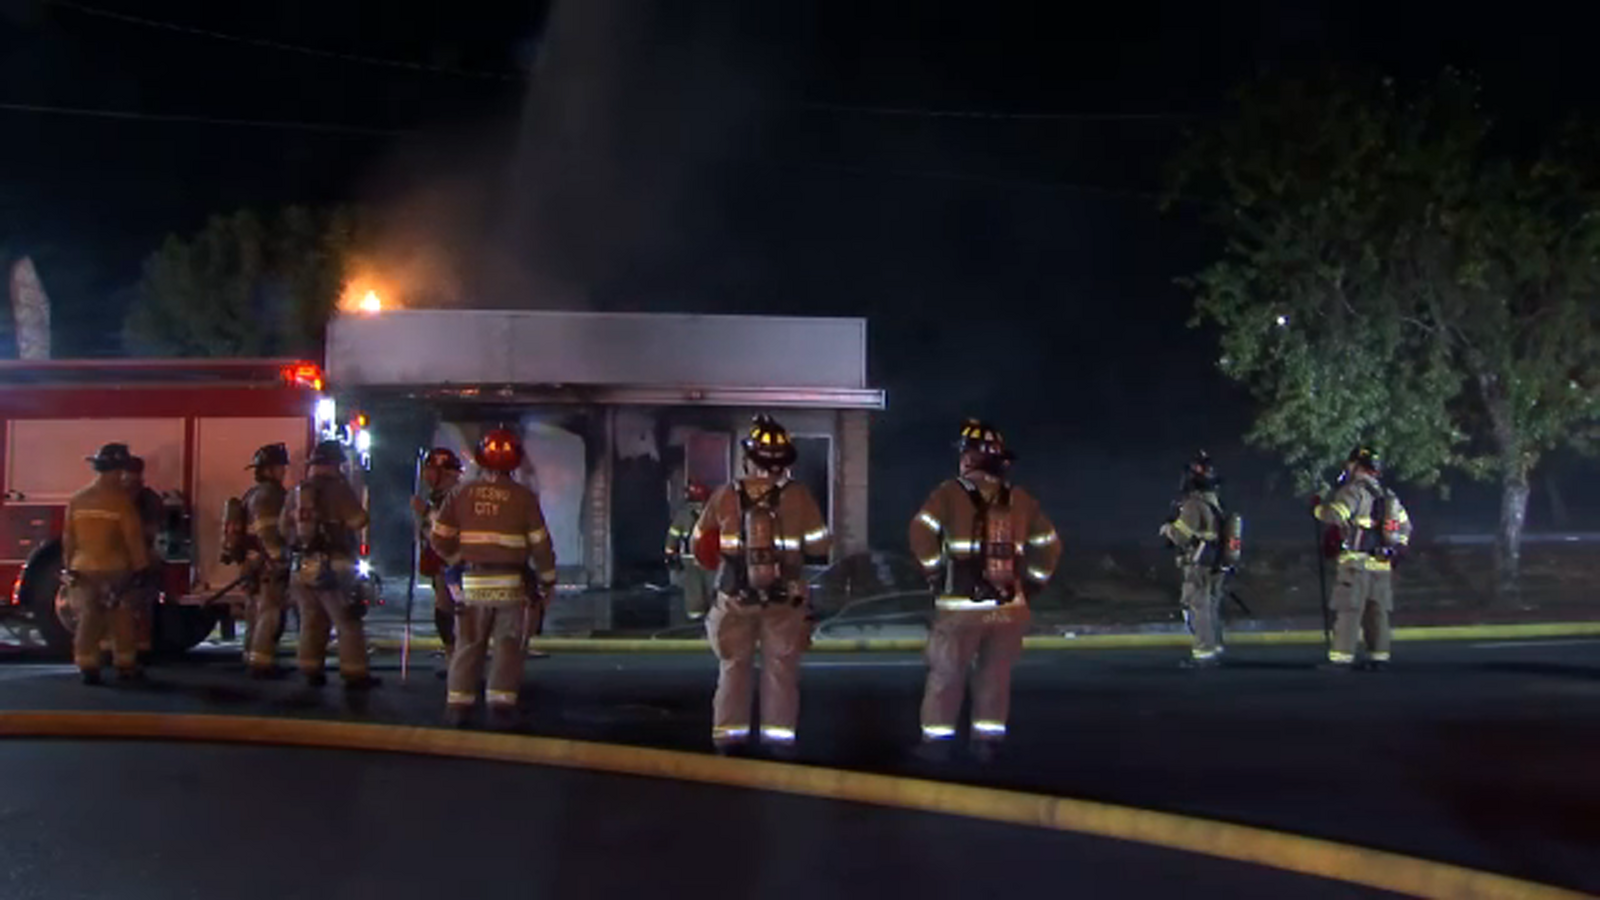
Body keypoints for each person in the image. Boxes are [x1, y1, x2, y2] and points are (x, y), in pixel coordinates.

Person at [909, 420, 1060, 763]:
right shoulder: (1021, 499)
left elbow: (920, 532)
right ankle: (987, 742)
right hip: (1009, 607)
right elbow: (1050, 546)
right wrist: (1032, 585)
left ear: (968, 459)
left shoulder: (948, 493)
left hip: (961, 607)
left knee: (947, 673)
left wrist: (934, 573)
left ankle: (937, 743)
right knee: (995, 675)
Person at [690, 415, 831, 758]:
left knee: (733, 667)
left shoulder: (724, 495)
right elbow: (820, 547)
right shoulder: (800, 496)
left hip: (735, 598)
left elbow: (700, 549)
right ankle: (778, 741)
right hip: (784, 601)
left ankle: (729, 739)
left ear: (747, 460)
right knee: (780, 670)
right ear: (785, 463)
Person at [430, 428, 557, 729]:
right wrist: (547, 580)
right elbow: (541, 545)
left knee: (468, 643)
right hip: (510, 586)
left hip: (472, 584)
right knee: (508, 644)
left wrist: (457, 560)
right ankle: (501, 707)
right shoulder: (523, 498)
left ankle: (458, 706)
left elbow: (439, 539)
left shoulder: (460, 494)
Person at [281, 440, 378, 689]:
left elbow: (283, 529)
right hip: (335, 566)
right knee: (347, 621)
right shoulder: (339, 489)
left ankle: (310, 669)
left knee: (311, 621)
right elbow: (358, 520)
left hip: (301, 567)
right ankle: (355, 674)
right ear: (336, 464)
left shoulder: (295, 493)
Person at [1313, 446, 1413, 671]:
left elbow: (1336, 515)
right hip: (1381, 565)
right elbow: (1406, 527)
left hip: (1355, 564)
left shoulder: (1353, 491)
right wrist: (1396, 550)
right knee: (1377, 613)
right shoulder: (1389, 496)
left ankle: (1341, 659)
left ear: (1356, 465)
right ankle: (1379, 657)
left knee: (1349, 610)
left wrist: (1317, 509)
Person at [63, 443, 150, 684]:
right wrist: (141, 567)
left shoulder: (77, 499)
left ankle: (87, 664)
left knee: (89, 616)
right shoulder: (121, 502)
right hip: (115, 569)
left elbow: (68, 538)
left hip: (83, 568)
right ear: (116, 471)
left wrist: (69, 567)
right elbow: (133, 538)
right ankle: (125, 664)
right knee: (121, 616)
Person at [1158, 452, 1233, 668]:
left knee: (1198, 606)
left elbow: (1180, 536)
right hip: (1217, 561)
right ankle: (1215, 645)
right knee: (1211, 605)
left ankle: (1203, 650)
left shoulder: (1193, 505)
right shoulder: (1215, 502)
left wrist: (1167, 529)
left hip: (1199, 562)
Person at [411, 447, 464, 674]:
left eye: (432, 469)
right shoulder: (439, 497)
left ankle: (462, 667)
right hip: (441, 563)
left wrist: (426, 512)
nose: (427, 475)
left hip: (455, 565)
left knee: (457, 616)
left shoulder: (458, 496)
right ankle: (454, 663)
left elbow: (448, 526)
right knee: (444, 614)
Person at [240, 443, 291, 678]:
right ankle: (261, 663)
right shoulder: (270, 495)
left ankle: (251, 656)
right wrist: (280, 559)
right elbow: (267, 531)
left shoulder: (253, 493)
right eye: (280, 467)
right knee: (270, 614)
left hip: (252, 563)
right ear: (268, 469)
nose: (283, 471)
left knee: (255, 613)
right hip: (267, 564)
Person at [122, 456, 165, 658]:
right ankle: (141, 648)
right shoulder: (150, 498)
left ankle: (129, 650)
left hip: (129, 561)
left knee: (124, 608)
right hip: (143, 560)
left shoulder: (119, 497)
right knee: (142, 606)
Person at [664, 479, 712, 621]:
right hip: (709, 558)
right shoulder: (713, 513)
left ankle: (696, 616)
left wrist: (670, 554)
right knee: (711, 585)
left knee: (693, 588)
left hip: (691, 559)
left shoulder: (683, 514)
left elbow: (673, 535)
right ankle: (710, 616)